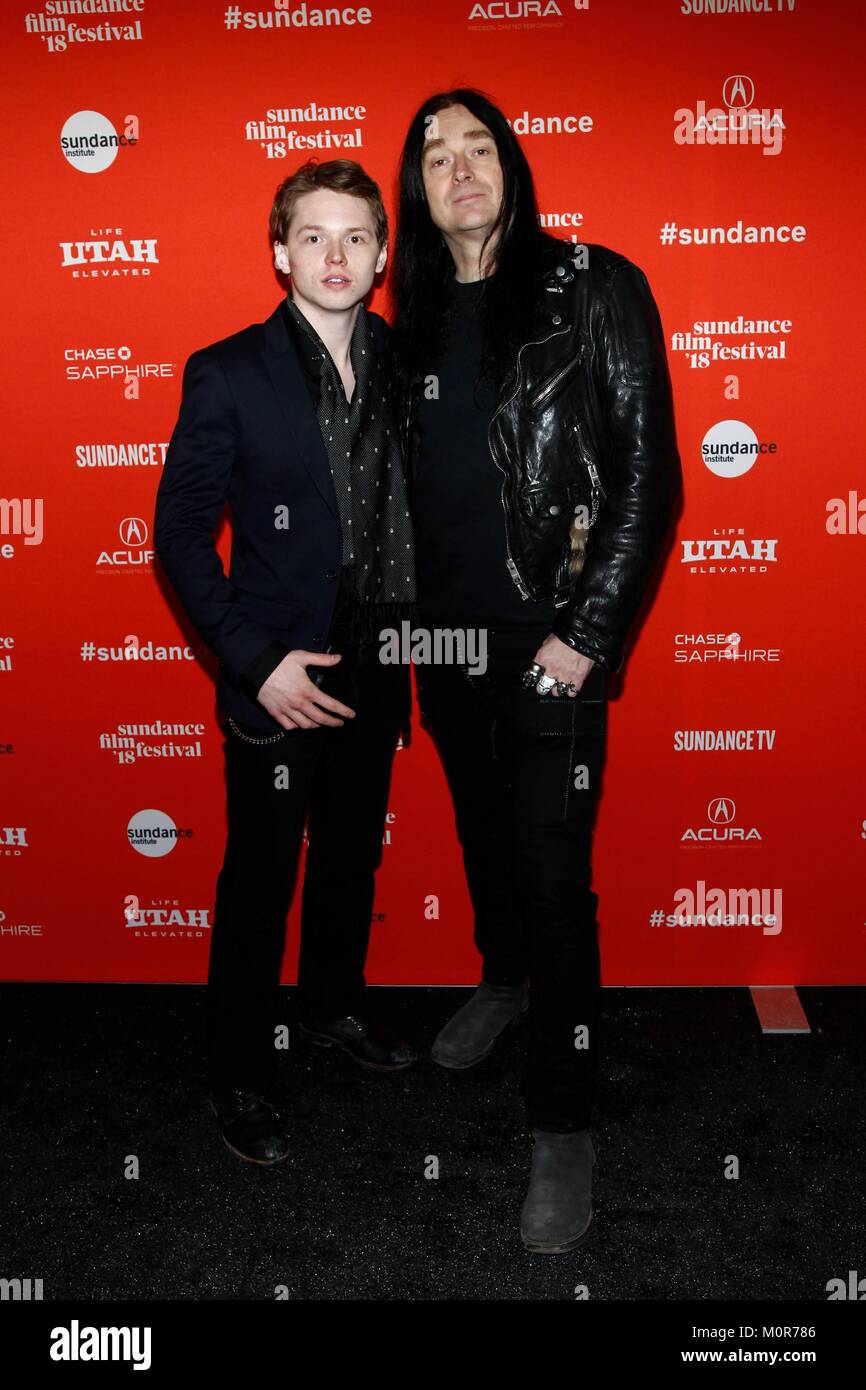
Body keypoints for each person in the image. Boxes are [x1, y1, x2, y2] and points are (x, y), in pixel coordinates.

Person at [392, 90, 682, 1252]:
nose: (457, 170)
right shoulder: (402, 314)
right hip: (442, 642)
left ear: (508, 167)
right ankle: (504, 981)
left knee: (553, 873)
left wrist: (587, 634)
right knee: (478, 836)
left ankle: (562, 1118)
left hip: (553, 641)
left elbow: (647, 476)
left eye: (477, 149)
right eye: (433, 156)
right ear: (415, 189)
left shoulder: (591, 286)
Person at [154, 158, 418, 1169]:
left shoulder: (403, 362)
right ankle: (238, 1072)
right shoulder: (226, 371)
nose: (336, 255)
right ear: (280, 253)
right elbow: (177, 538)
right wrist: (257, 662)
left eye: (356, 236)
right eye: (314, 236)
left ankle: (330, 1010)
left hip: (377, 654)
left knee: (350, 857)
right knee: (261, 878)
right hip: (276, 669)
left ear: (383, 254)